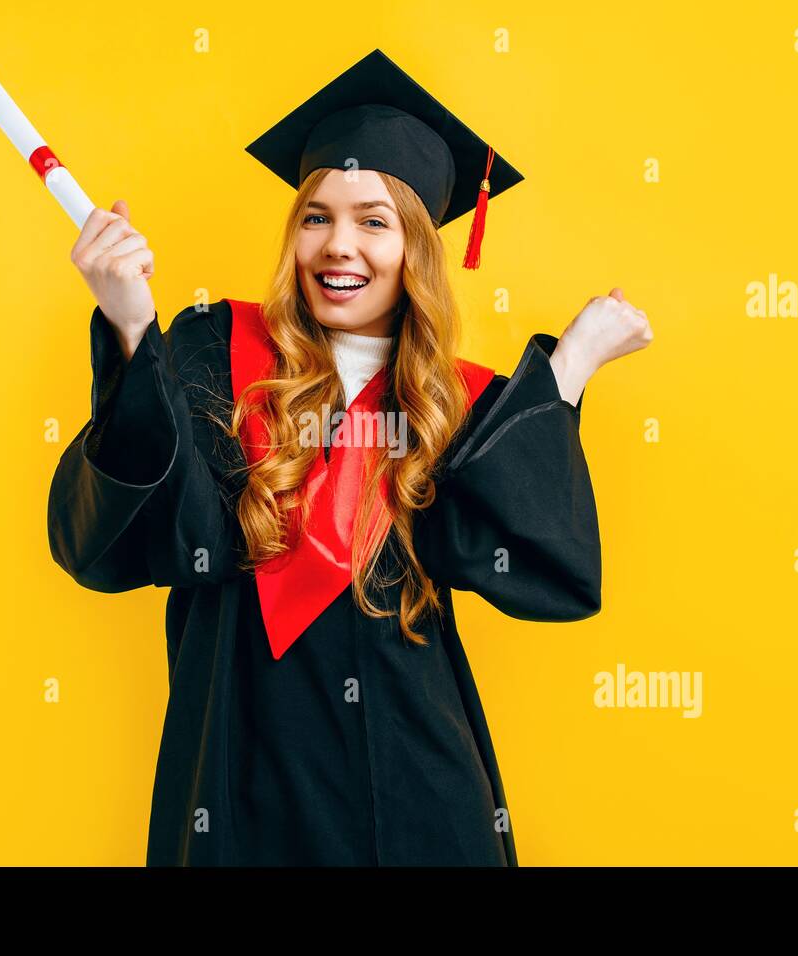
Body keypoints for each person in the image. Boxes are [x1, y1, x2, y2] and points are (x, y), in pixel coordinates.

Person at [47, 48, 653, 866]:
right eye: (316, 216)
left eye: (374, 220)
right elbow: (119, 539)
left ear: (417, 248)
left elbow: (547, 574)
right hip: (239, 761)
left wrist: (568, 370)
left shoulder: (461, 403)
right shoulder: (216, 351)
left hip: (416, 778)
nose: (340, 246)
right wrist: (129, 328)